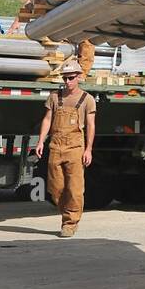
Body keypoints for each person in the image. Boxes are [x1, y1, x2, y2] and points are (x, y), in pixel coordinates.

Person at [35, 59, 96, 237]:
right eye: (65, 78)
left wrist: (88, 149)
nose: (67, 82)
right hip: (56, 146)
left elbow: (91, 125)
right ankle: (66, 213)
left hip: (76, 147)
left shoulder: (87, 99)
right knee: (56, 188)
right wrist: (40, 141)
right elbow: (47, 120)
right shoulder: (54, 97)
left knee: (75, 189)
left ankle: (70, 222)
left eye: (70, 78)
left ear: (78, 77)